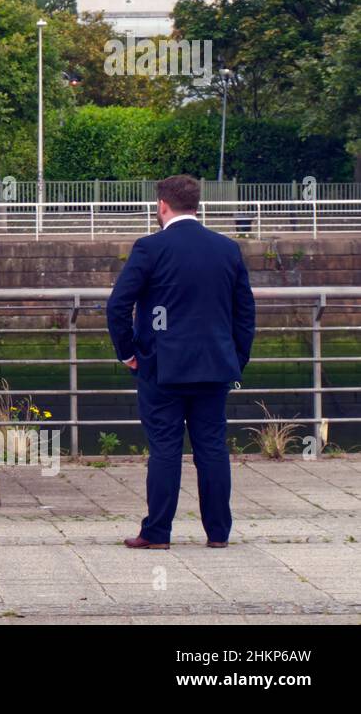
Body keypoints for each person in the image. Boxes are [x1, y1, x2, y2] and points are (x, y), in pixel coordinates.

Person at [107, 174, 256, 550]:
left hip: (162, 367)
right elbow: (245, 313)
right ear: (197, 205)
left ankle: (157, 533)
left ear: (162, 206)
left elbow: (118, 306)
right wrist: (235, 358)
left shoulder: (150, 248)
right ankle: (218, 533)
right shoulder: (227, 249)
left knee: (165, 449)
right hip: (215, 366)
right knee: (212, 447)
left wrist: (129, 353)